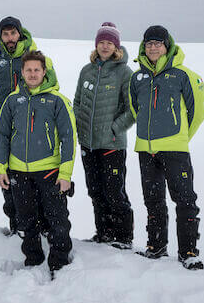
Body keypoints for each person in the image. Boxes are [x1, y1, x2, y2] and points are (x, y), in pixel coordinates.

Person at [128, 25, 204, 270]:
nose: (153, 47)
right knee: (153, 200)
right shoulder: (137, 77)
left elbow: (198, 113)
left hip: (175, 149)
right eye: (149, 43)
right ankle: (156, 246)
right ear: (144, 47)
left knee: (185, 200)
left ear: (167, 46)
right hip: (145, 149)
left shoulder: (184, 75)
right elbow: (135, 109)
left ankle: (189, 251)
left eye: (157, 43)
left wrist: (180, 138)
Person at [0, 50, 76, 276]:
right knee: (26, 220)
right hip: (18, 171)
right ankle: (33, 259)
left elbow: (69, 138)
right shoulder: (13, 100)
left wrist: (65, 174)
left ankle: (59, 262)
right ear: (22, 72)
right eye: (28, 70)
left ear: (44, 72)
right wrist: (1, 168)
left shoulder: (57, 100)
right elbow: (2, 135)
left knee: (57, 219)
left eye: (36, 70)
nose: (32, 74)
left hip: (49, 171)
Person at [0, 16, 56, 235]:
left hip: (36, 131)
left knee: (38, 181)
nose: (10, 38)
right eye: (5, 34)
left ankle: (42, 228)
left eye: (13, 33)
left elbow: (51, 85)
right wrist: (8, 114)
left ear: (20, 34)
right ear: (1, 37)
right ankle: (18, 227)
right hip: (8, 132)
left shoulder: (37, 59)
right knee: (10, 181)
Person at [73, 22, 135, 249]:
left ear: (116, 46)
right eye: (102, 42)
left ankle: (123, 237)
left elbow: (132, 110)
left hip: (111, 144)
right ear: (96, 45)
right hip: (88, 144)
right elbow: (78, 102)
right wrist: (79, 127)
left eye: (110, 42)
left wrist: (113, 130)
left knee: (114, 191)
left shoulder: (124, 73)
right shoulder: (86, 71)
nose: (105, 46)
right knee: (95, 190)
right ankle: (104, 233)